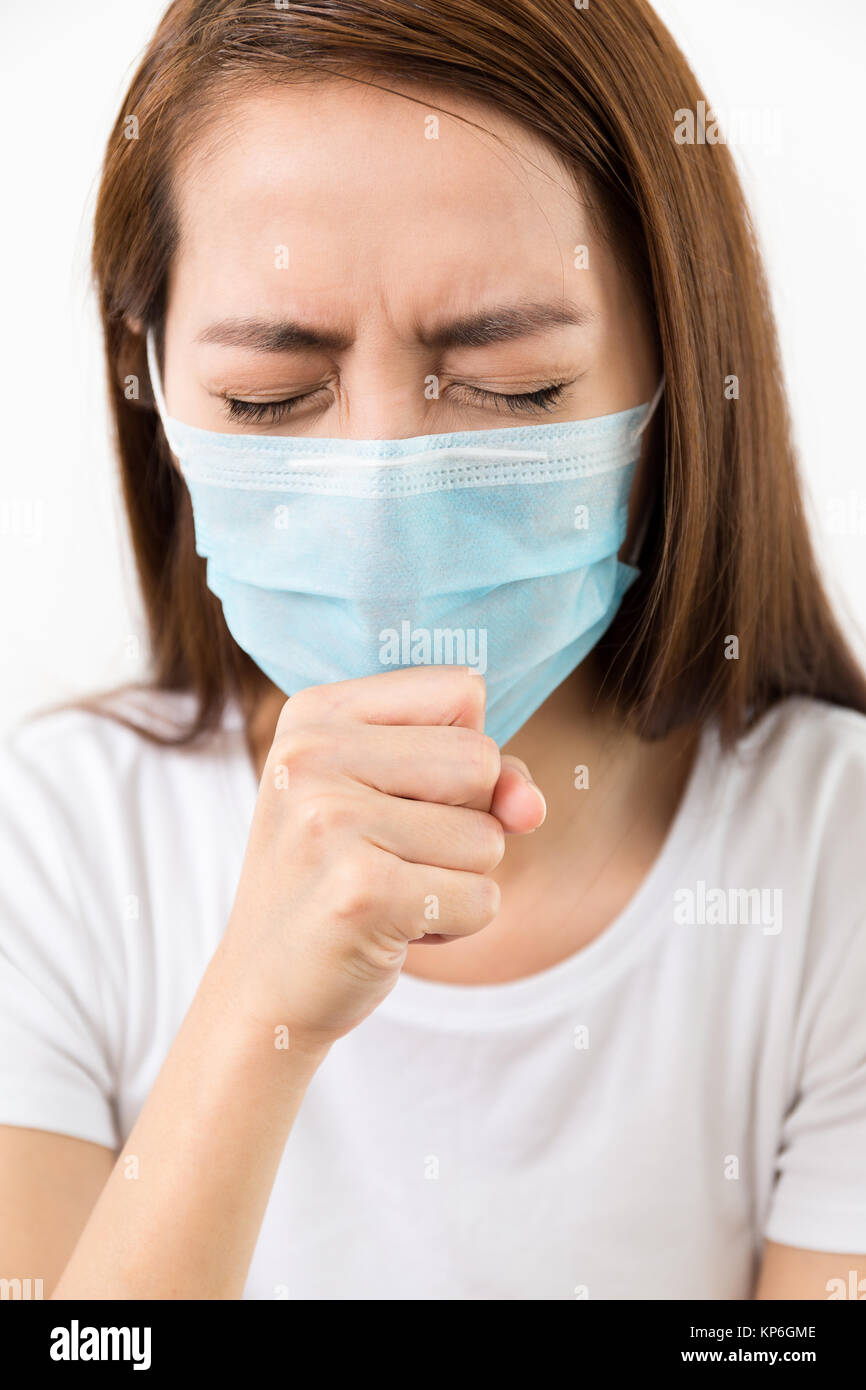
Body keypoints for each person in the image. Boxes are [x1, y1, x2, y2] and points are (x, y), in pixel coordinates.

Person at [1, 0, 864, 1301]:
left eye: (509, 386)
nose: (382, 490)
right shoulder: (51, 846)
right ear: (156, 385)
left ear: (674, 362)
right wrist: (254, 1019)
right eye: (269, 399)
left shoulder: (831, 857)